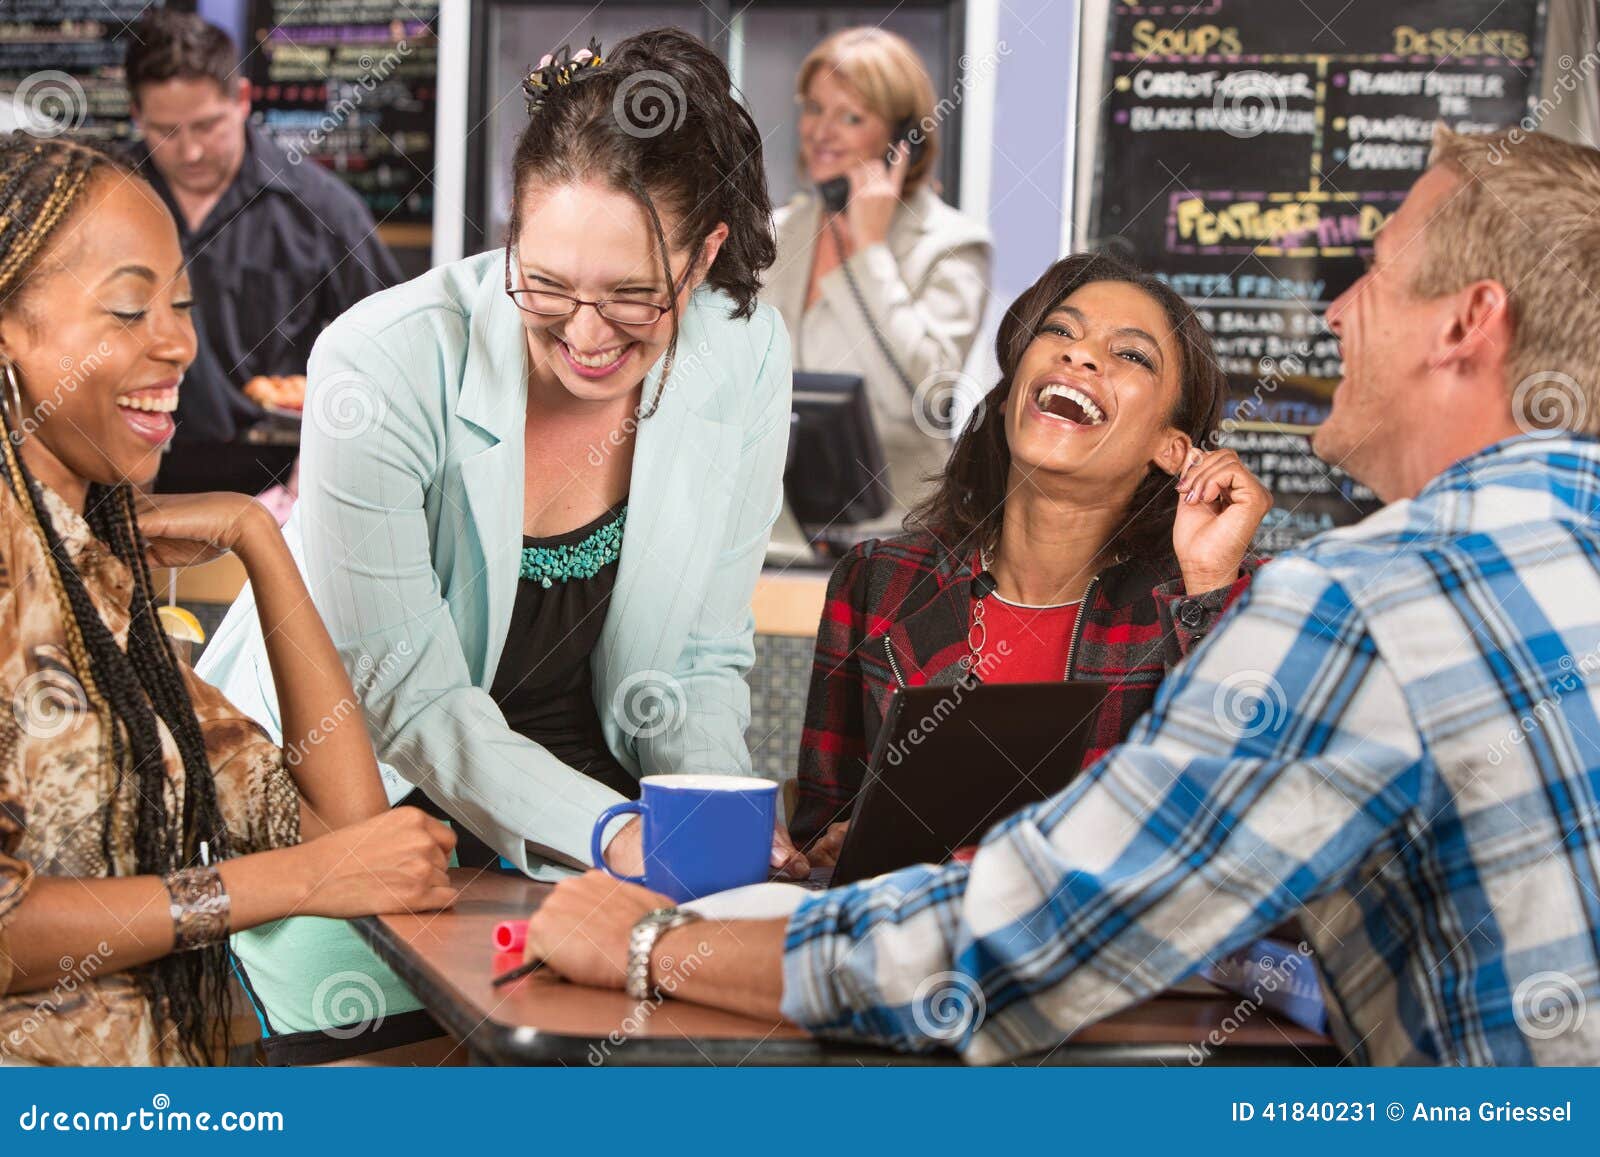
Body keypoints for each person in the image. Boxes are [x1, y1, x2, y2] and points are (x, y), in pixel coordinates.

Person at [517, 127, 1600, 1066]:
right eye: (1059, 334)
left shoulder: (1362, 603)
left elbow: (1031, 941)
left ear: (1468, 322)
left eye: (1370, 271)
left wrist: (655, 945)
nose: (1333, 312)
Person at [195, 30, 803, 1052]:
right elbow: (408, 697)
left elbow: (698, 654)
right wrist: (620, 834)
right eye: (547, 283)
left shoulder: (743, 349)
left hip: (587, 825)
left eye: (630, 296)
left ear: (704, 257)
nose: (584, 331)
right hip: (373, 810)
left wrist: (701, 834)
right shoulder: (382, 363)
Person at [0, 135, 454, 1067]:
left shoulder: (92, 568)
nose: (181, 344)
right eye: (130, 308)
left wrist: (260, 541)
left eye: (180, 306)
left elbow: (348, 828)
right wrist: (295, 879)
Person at [791, 252, 1272, 864]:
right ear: (1011, 391)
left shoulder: (1224, 599)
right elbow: (819, 837)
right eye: (1059, 332)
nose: (1079, 354)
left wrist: (1208, 585)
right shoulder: (877, 582)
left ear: (1172, 447)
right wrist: (833, 850)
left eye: (1130, 355)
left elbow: (1252, 832)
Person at [123, 9, 403, 498]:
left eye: (206, 126)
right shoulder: (107, 202)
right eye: (166, 131)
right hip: (123, 476)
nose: (189, 152)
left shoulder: (321, 209)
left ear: (243, 100)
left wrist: (330, 463)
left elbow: (396, 350)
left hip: (275, 482)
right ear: (135, 116)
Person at [764, 27, 993, 538]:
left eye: (851, 117)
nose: (822, 131)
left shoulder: (950, 244)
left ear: (901, 138)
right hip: (771, 537)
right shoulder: (775, 234)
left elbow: (925, 398)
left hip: (893, 540)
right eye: (815, 108)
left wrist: (869, 250)